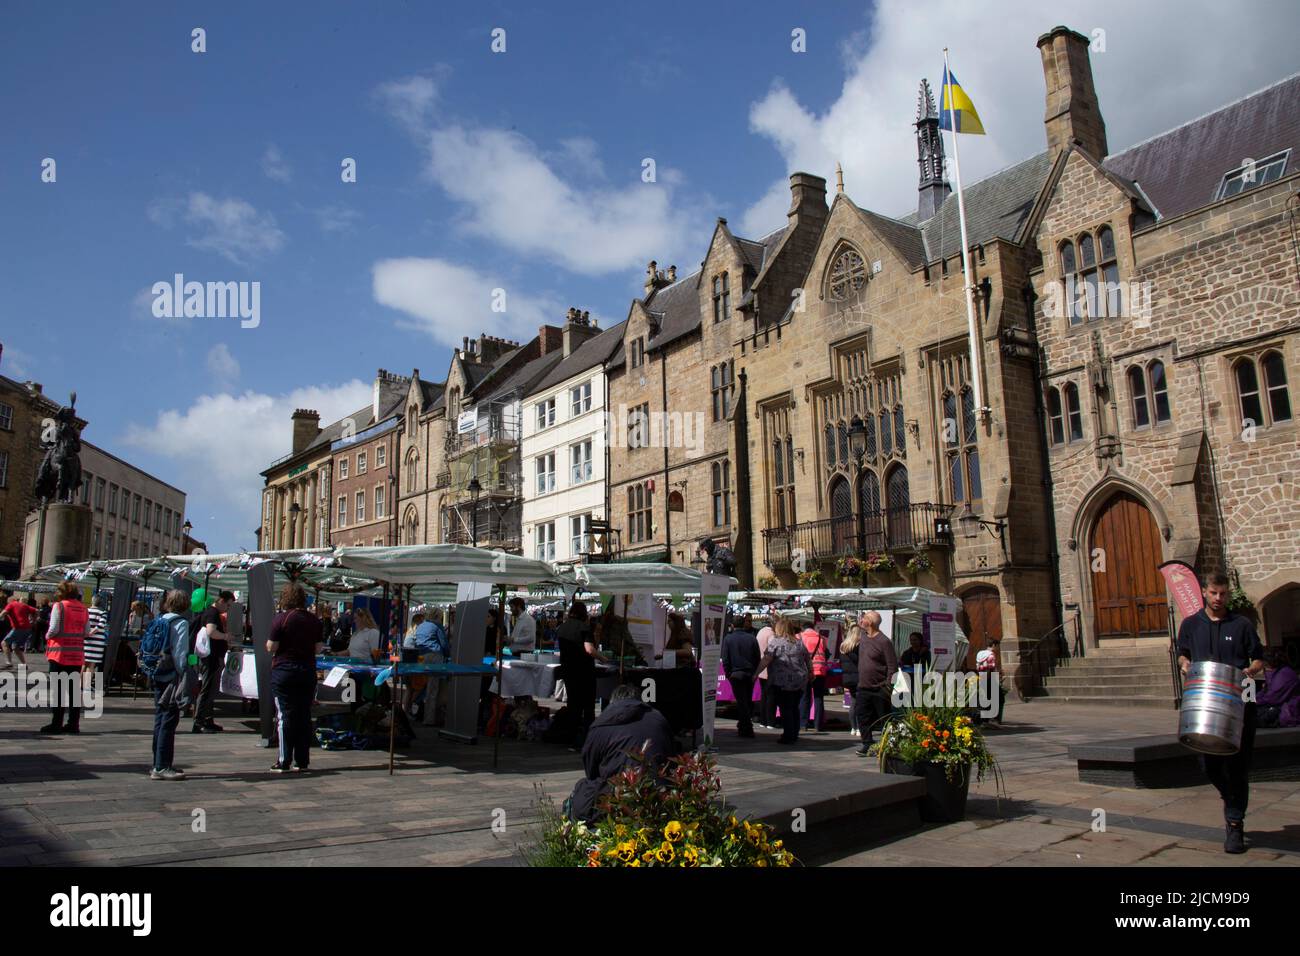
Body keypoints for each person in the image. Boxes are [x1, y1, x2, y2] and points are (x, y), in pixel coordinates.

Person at [1176, 571, 1265, 854]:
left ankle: (1235, 825)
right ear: (1204, 592)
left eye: (1223, 593)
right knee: (1209, 766)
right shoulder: (1191, 624)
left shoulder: (1241, 624)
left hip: (1239, 705)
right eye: (1213, 593)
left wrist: (1250, 670)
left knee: (1238, 768)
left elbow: (1259, 658)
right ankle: (1232, 801)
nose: (1218, 598)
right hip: (1203, 707)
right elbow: (1183, 653)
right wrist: (1184, 663)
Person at [568, 683, 679, 822]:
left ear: (612, 702)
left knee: (580, 793)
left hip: (617, 797)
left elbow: (591, 770)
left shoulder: (600, 724)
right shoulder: (658, 717)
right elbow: (672, 757)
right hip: (660, 796)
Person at [267, 583, 324, 773]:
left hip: (284, 671)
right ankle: (302, 760)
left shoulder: (281, 619)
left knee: (285, 715)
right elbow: (318, 648)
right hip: (307, 671)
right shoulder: (314, 620)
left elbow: (271, 646)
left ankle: (284, 760)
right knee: (304, 715)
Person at [150, 589, 195, 780]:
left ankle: (157, 763)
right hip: (171, 676)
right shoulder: (180, 623)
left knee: (160, 719)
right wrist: (185, 672)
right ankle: (162, 766)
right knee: (169, 719)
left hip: (156, 673)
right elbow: (180, 655)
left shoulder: (158, 620)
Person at [40, 582, 89, 735]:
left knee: (58, 691)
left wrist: (47, 636)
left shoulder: (59, 606)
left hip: (59, 654)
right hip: (76, 654)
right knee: (74, 690)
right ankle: (73, 724)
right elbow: (86, 631)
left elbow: (53, 628)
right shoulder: (83, 608)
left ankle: (56, 723)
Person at [753, 615, 811, 744]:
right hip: (799, 680)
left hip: (782, 681)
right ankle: (794, 733)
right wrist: (810, 673)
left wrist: (756, 673)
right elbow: (808, 659)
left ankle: (788, 735)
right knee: (794, 707)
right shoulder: (799, 642)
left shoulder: (776, 643)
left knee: (785, 708)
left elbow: (766, 659)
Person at [557, 601, 606, 746]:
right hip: (584, 671)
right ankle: (587, 739)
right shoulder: (584, 628)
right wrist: (603, 658)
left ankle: (570, 738)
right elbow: (589, 649)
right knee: (588, 707)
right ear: (584, 613)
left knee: (573, 705)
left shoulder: (562, 627)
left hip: (567, 669)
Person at [855, 610, 899, 754]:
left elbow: (892, 665)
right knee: (861, 715)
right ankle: (867, 743)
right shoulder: (862, 637)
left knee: (884, 718)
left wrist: (888, 685)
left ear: (871, 622)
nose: (862, 620)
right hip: (863, 686)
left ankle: (888, 745)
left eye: (865, 618)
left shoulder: (884, 641)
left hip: (880, 687)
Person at [191, 589, 234, 733]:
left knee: (210, 689)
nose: (227, 609)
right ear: (222, 601)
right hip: (211, 657)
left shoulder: (211, 612)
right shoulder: (213, 613)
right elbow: (211, 632)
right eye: (228, 605)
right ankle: (199, 722)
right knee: (207, 689)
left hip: (211, 657)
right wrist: (225, 636)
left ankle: (207, 719)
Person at [721, 617, 761, 737]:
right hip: (749, 673)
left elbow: (725, 659)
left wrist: (728, 673)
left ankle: (746, 727)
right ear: (744, 624)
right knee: (746, 700)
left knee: (741, 701)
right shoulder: (752, 638)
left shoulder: (728, 639)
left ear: (732, 625)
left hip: (736, 674)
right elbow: (757, 657)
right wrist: (755, 672)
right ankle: (744, 725)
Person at [1257, 648, 1300, 728]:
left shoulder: (1284, 674)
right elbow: (1265, 691)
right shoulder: (1275, 673)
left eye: (1265, 665)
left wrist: (1254, 702)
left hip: (1288, 710)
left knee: (1258, 717)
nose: (1264, 670)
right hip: (1278, 706)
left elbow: (1272, 697)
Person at [799, 627, 831, 733]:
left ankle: (803, 724)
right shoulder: (821, 638)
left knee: (805, 697)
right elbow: (827, 653)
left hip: (806, 670)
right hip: (820, 670)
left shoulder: (801, 637)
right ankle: (818, 725)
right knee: (818, 698)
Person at [83, 593, 109, 698]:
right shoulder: (102, 612)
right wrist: (92, 632)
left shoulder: (86, 611)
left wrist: (86, 633)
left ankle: (79, 685)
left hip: (85, 641)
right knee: (91, 665)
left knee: (83, 664)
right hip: (96, 642)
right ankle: (86, 687)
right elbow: (101, 625)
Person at [2, 591, 38, 668]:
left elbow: (4, 612)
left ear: (9, 601)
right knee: (15, 647)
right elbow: (36, 611)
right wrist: (33, 621)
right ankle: (23, 664)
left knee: (4, 643)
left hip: (19, 628)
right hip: (27, 629)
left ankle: (9, 663)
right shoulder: (24, 605)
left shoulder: (11, 604)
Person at [839, 625, 862, 737]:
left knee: (853, 702)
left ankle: (853, 727)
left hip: (847, 678)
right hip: (858, 677)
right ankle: (858, 728)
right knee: (858, 703)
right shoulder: (858, 646)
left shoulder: (843, 646)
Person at [755, 618, 776, 728]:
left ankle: (763, 721)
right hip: (769, 669)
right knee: (771, 696)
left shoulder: (760, 632)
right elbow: (771, 653)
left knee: (763, 695)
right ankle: (770, 721)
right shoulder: (771, 634)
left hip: (761, 667)